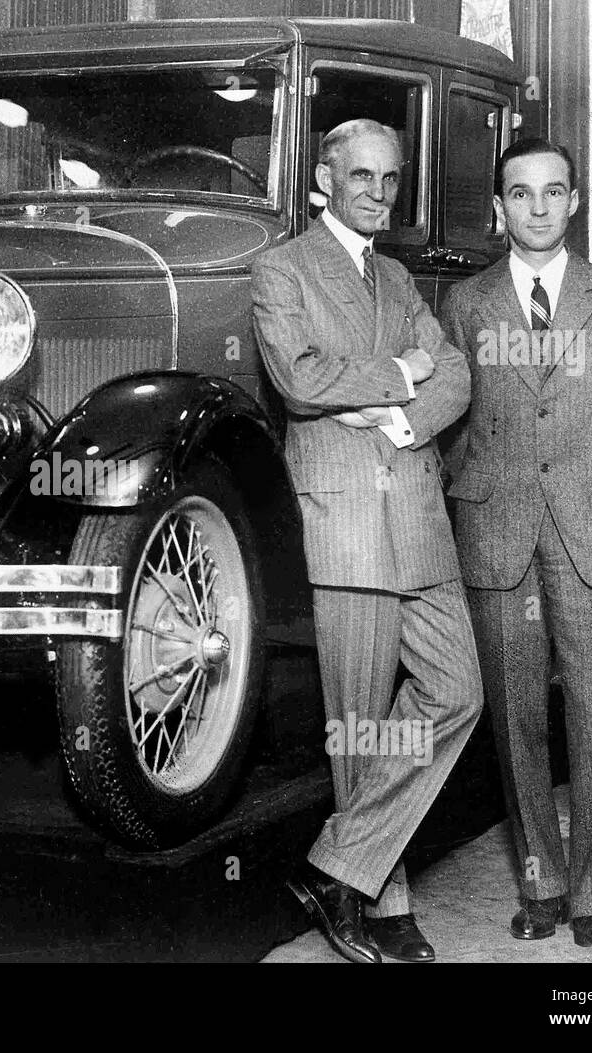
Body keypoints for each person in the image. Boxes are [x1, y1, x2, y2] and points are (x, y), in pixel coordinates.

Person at [251, 118, 482, 964]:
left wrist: (397, 416)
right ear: (325, 178)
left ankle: (336, 867)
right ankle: (381, 902)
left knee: (457, 691)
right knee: (359, 723)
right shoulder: (283, 267)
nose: (378, 194)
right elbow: (301, 378)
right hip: (343, 514)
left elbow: (455, 369)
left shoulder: (398, 275)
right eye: (362, 177)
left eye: (390, 180)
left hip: (414, 510)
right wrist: (399, 370)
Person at [439, 138, 592, 964]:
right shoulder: (466, 303)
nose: (537, 207)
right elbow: (452, 418)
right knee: (519, 720)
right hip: (499, 534)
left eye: (552, 192)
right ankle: (542, 881)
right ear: (499, 208)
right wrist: (490, 488)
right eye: (520, 194)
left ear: (574, 202)